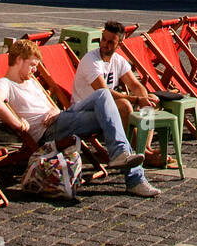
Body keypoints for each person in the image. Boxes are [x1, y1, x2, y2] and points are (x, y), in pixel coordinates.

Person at [0, 39, 157, 197]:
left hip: (61, 117)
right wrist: (17, 123)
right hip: (48, 132)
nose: (34, 70)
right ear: (18, 60)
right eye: (32, 65)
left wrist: (54, 110)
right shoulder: (4, 83)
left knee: (104, 95)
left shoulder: (30, 81)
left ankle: (122, 157)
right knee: (111, 115)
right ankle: (134, 177)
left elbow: (50, 106)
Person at [71, 21, 177, 170]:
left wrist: (144, 99)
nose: (105, 44)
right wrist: (137, 99)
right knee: (124, 105)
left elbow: (134, 84)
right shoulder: (91, 60)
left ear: (119, 44)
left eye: (110, 42)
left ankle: (145, 147)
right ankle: (144, 154)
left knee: (151, 101)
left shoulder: (117, 60)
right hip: (84, 111)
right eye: (103, 40)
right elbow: (104, 93)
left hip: (105, 109)